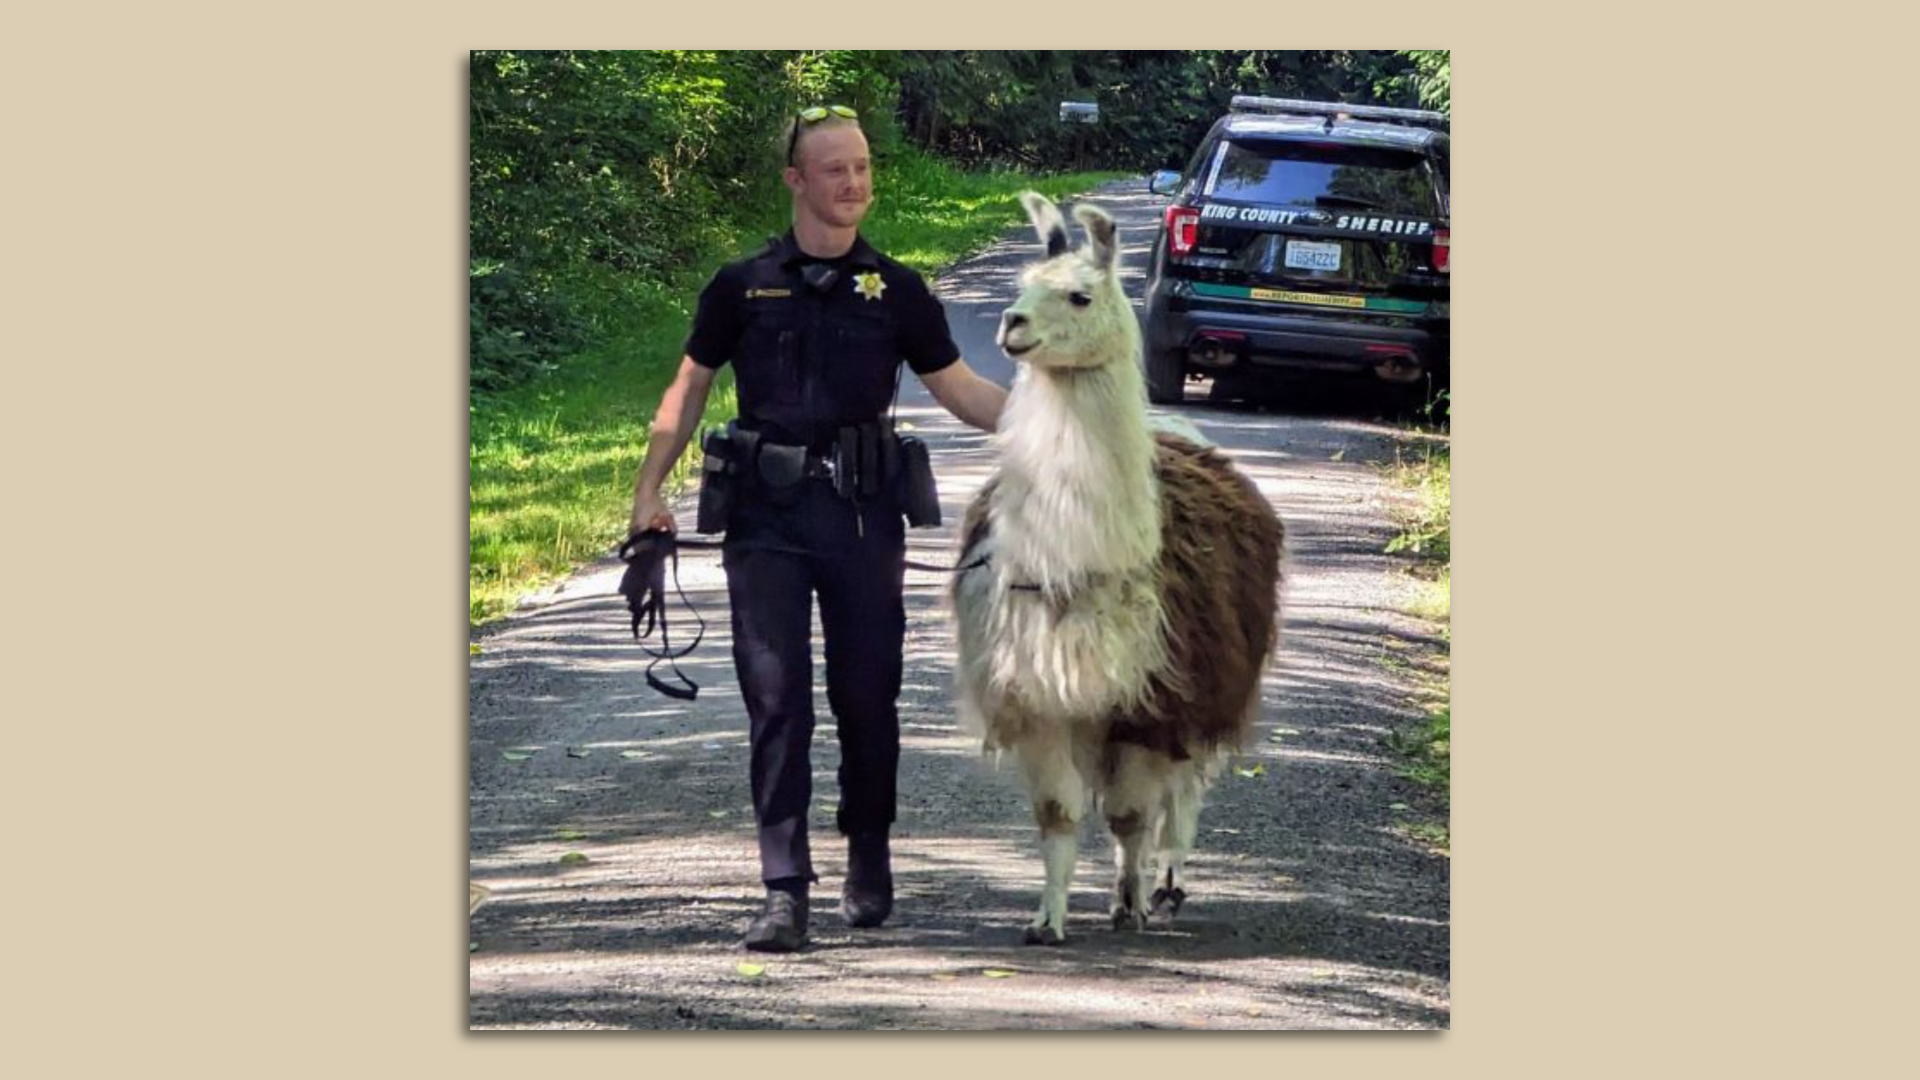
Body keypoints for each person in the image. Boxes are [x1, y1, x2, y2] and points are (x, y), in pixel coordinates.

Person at [627, 106, 1007, 952]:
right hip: (764, 522)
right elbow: (688, 388)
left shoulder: (898, 290)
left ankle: (868, 852)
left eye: (864, 168)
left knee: (868, 698)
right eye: (835, 170)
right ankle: (784, 889)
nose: (854, 184)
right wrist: (649, 488)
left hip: (864, 520)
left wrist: (1058, 425)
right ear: (796, 180)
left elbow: (963, 390)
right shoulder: (742, 284)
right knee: (777, 704)